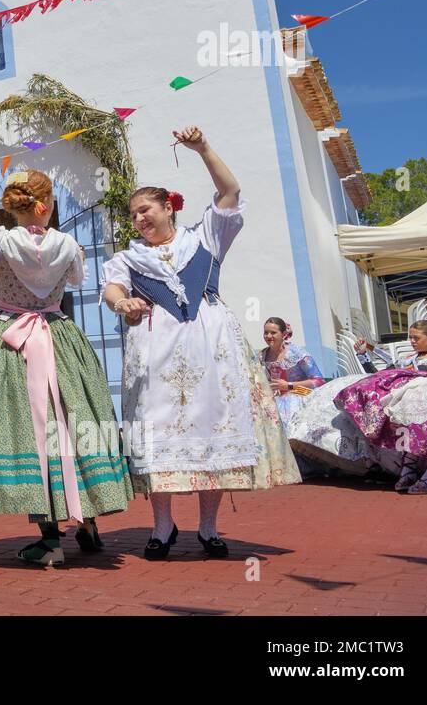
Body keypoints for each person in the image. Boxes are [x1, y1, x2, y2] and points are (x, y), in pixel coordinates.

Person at [102, 126, 299, 560]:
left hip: (214, 351)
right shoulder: (126, 258)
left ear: (169, 206)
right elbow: (113, 289)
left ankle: (208, 528)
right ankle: (162, 526)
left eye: (145, 209)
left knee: (214, 430)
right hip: (156, 354)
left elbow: (230, 191)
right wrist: (123, 305)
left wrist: (203, 149)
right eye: (133, 214)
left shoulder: (205, 237)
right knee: (158, 436)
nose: (139, 219)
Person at [0, 114, 132, 566]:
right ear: (46, 205)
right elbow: (72, 281)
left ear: (14, 206)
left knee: (31, 433)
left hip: (9, 340)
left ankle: (50, 539)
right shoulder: (69, 247)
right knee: (71, 423)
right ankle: (88, 523)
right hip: (59, 337)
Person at [338, 320, 427, 494]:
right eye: (411, 337)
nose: (412, 341)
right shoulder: (405, 361)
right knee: (408, 430)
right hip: (408, 407)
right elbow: (382, 377)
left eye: (416, 338)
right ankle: (409, 469)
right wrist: (363, 355)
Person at [260, 317, 327, 423]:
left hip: (300, 394)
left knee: (288, 412)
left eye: (273, 333)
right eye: (266, 332)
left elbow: (319, 381)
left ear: (283, 334)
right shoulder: (261, 356)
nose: (268, 336)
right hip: (274, 399)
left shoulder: (297, 353)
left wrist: (289, 385)